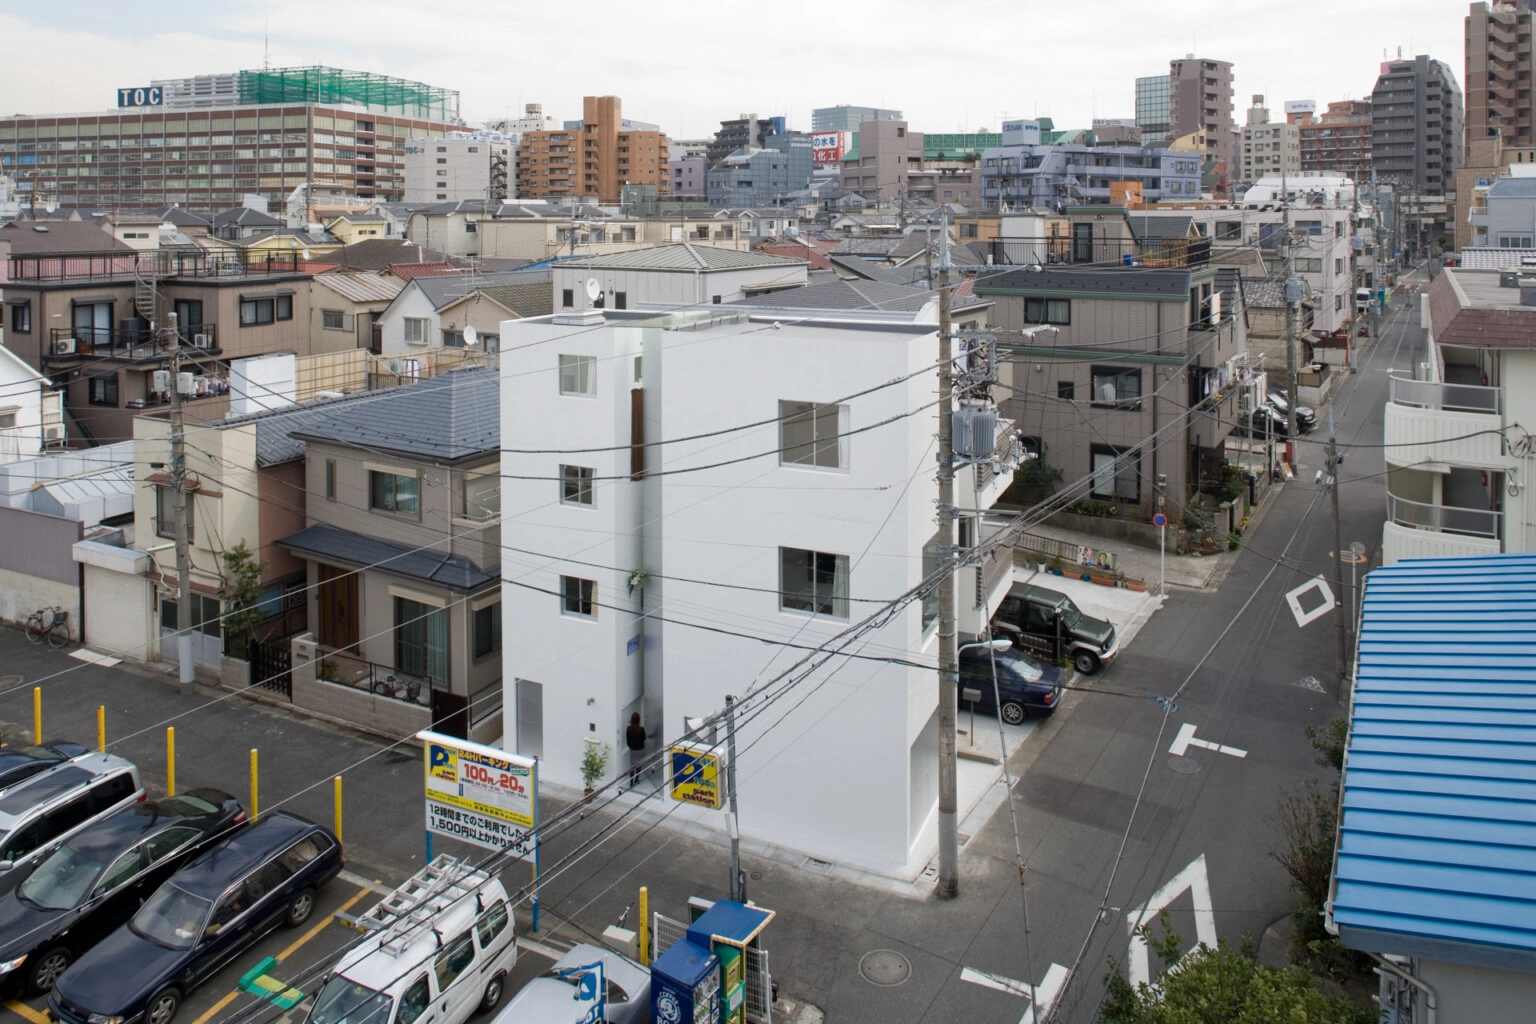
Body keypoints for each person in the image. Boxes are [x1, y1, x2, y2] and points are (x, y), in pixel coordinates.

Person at [626, 712, 647, 787]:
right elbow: (644, 738)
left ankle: (631, 781)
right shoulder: (641, 729)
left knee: (632, 766)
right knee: (639, 764)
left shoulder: (628, 729)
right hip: (640, 749)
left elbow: (627, 740)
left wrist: (631, 746)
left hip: (633, 749)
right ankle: (636, 779)